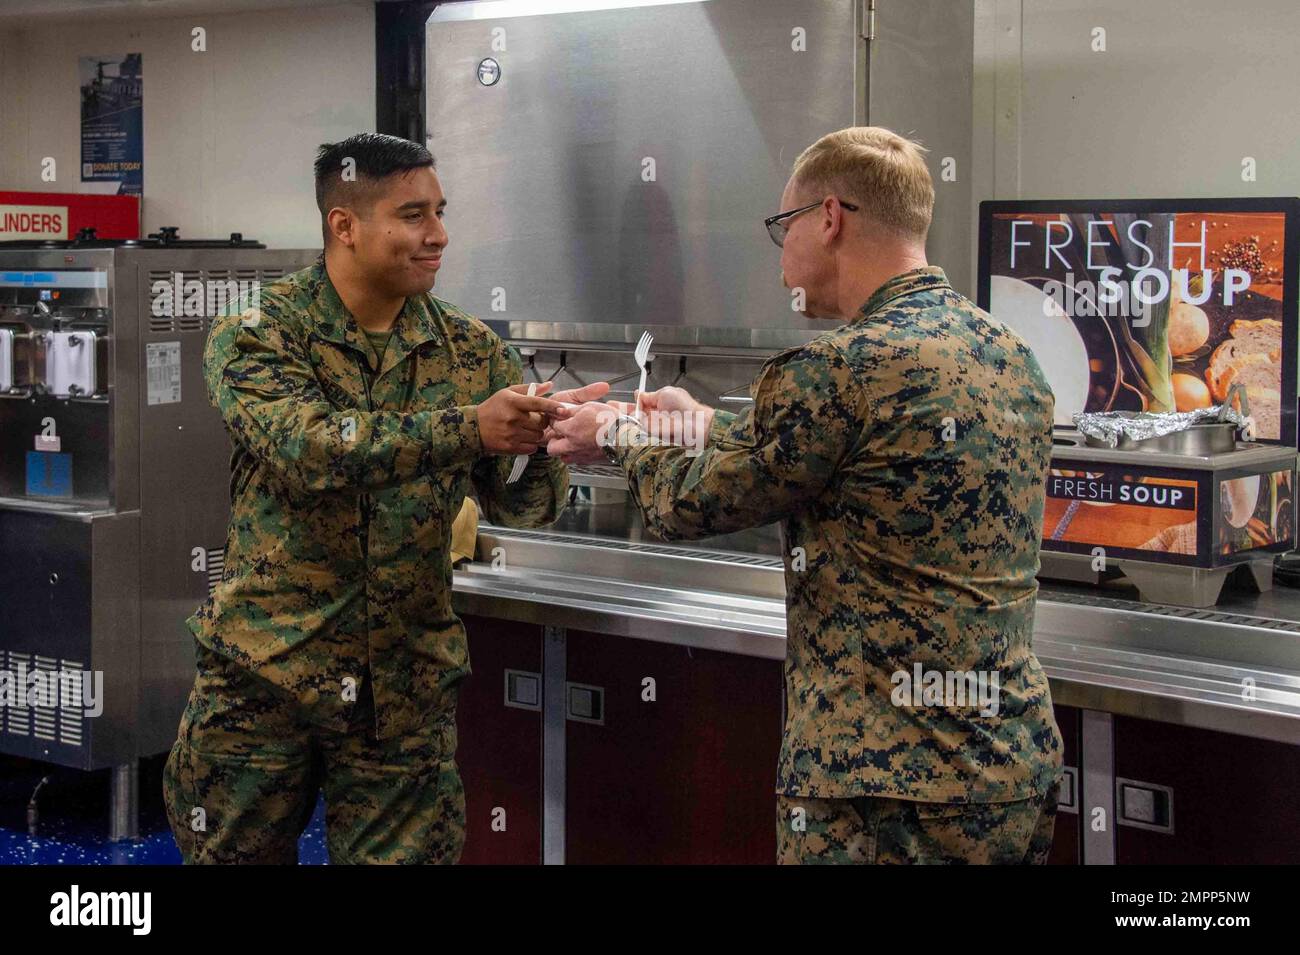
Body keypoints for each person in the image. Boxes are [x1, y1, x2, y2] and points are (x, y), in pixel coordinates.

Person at [546, 126, 1064, 864]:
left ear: (829, 218)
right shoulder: (1009, 355)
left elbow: (686, 504)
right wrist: (692, 424)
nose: (782, 255)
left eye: (783, 228)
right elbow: (808, 454)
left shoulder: (837, 368)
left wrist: (618, 431)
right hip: (1010, 761)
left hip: (885, 786)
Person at [164, 132, 604, 864]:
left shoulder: (468, 350)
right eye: (412, 215)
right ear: (345, 225)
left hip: (402, 694)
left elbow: (523, 507)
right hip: (264, 683)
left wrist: (544, 440)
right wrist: (471, 426)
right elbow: (310, 450)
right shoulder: (259, 331)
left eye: (439, 210)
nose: (438, 234)